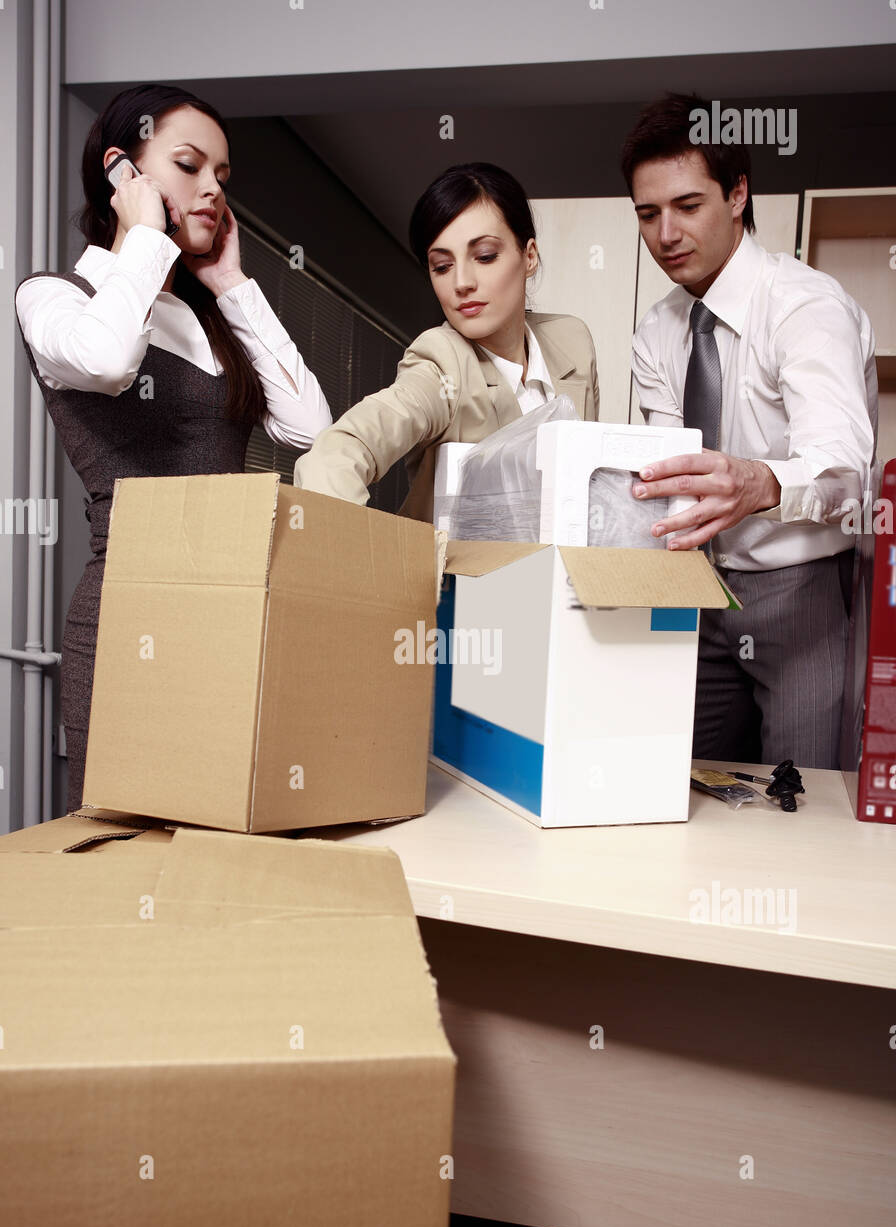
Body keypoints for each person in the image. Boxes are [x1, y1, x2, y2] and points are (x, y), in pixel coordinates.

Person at [16, 83, 331, 812]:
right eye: (189, 166)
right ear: (122, 170)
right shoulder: (55, 297)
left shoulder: (207, 320)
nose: (212, 189)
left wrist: (231, 283)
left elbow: (311, 431)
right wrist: (146, 237)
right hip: (129, 614)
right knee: (120, 834)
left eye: (222, 176)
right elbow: (106, 361)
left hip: (231, 609)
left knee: (222, 823)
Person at [621, 93, 878, 770]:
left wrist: (761, 483)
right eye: (648, 214)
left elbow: (847, 473)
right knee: (675, 780)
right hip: (695, 589)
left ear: (738, 194)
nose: (666, 234)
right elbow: (668, 476)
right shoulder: (656, 331)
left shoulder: (804, 307)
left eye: (687, 206)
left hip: (802, 591)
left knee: (801, 795)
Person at [294, 162, 599, 521]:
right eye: (441, 266)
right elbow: (337, 454)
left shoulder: (572, 340)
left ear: (529, 256)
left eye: (484, 256)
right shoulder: (441, 363)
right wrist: (350, 551)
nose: (462, 282)